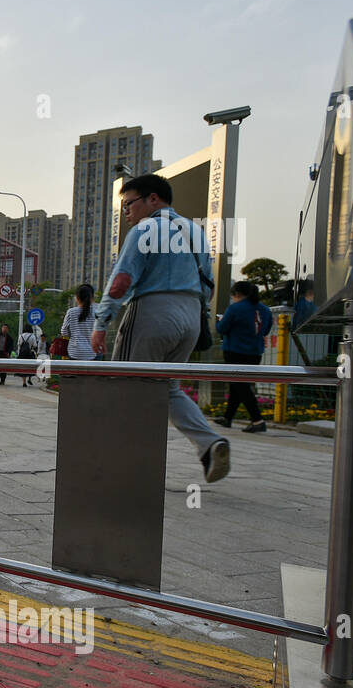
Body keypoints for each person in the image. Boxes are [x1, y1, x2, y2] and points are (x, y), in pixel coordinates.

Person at [91, 174, 229, 483]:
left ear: (153, 199)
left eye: (129, 204)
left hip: (153, 312)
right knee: (168, 388)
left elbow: (122, 281)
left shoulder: (146, 228)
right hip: (191, 316)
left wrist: (101, 324)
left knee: (125, 386)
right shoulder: (197, 232)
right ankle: (209, 444)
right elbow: (208, 283)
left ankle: (124, 466)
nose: (126, 212)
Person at [215, 280, 273, 432]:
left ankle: (257, 420)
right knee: (239, 385)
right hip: (255, 352)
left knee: (240, 386)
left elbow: (222, 328)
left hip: (234, 350)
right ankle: (228, 418)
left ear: (237, 294)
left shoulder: (235, 308)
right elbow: (266, 330)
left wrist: (219, 321)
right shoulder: (265, 310)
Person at [60, 284, 99, 360]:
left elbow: (64, 332)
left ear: (77, 298)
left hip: (74, 352)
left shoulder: (71, 312)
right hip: (92, 353)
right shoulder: (97, 311)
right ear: (92, 297)